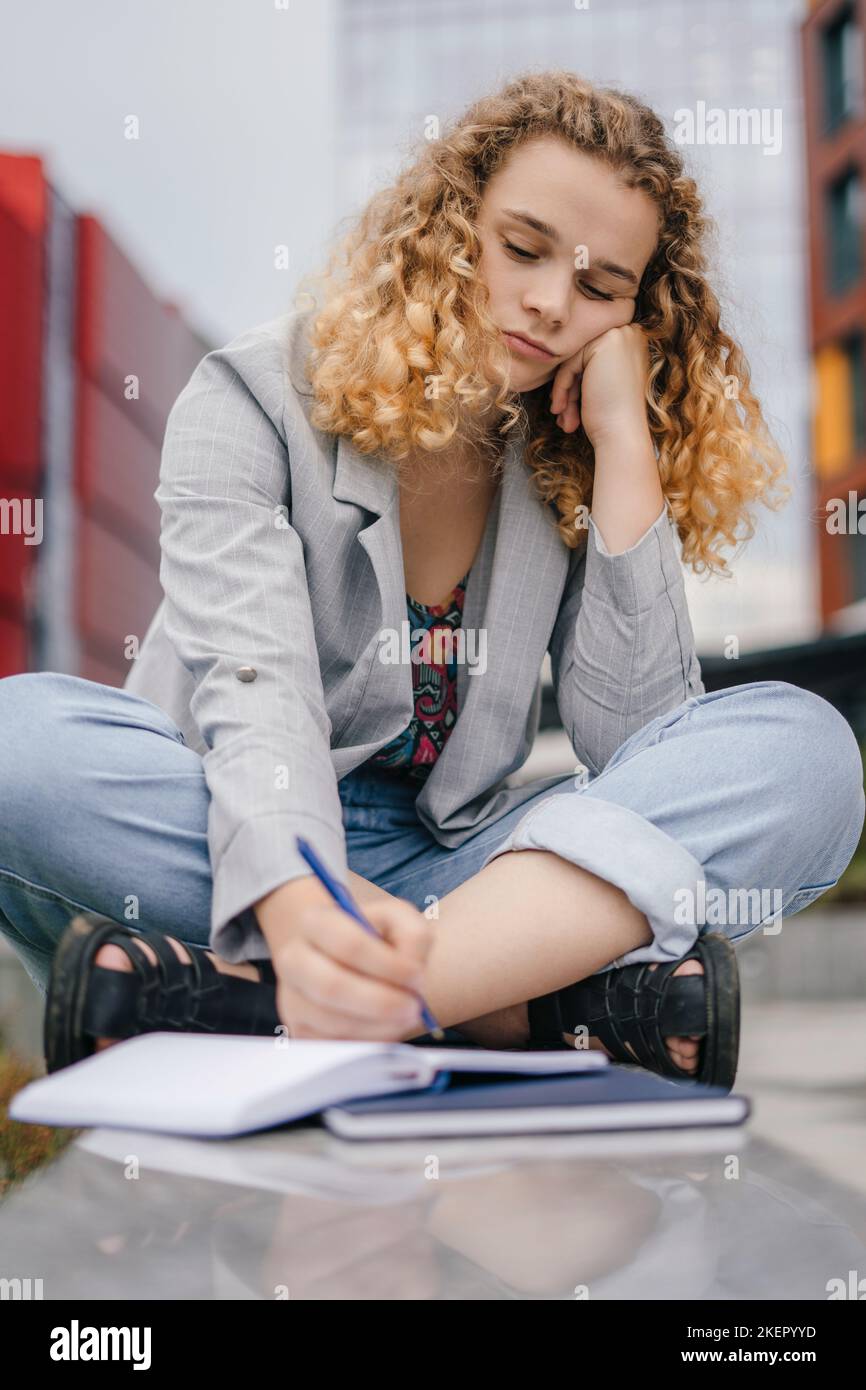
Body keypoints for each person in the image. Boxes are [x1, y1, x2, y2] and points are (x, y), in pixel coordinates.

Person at [2, 71, 863, 1090]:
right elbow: (253, 690)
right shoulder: (253, 395)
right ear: (452, 228)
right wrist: (301, 901)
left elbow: (639, 745)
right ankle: (505, 1006)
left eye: (597, 288)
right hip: (226, 839)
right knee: (23, 741)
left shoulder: (567, 453)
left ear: (637, 314)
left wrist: (624, 446)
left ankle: (280, 1006)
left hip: (466, 873)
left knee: (804, 754)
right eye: (522, 248)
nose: (548, 304)